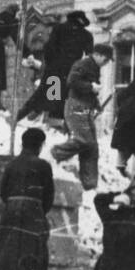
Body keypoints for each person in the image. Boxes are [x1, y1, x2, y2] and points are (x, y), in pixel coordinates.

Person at [0, 126, 53, 270]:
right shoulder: (44, 166)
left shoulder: (12, 165)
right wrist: (38, 211)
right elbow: (48, 196)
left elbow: (3, 192)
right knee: (32, 249)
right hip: (33, 212)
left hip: (11, 210)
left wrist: (13, 204)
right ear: (39, 145)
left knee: (7, 247)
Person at [50, 43, 112, 192]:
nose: (106, 63)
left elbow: (87, 90)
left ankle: (89, 185)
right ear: (97, 55)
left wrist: (96, 103)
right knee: (82, 140)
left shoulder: (94, 68)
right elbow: (72, 81)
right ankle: (53, 154)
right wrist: (91, 87)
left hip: (85, 107)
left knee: (91, 147)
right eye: (105, 59)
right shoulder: (83, 64)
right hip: (76, 107)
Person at [16, 10, 93, 124]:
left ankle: (20, 116)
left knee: (43, 95)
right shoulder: (86, 35)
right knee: (60, 98)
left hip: (54, 70)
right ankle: (52, 121)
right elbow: (89, 55)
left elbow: (49, 49)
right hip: (70, 71)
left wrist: (51, 64)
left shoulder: (59, 29)